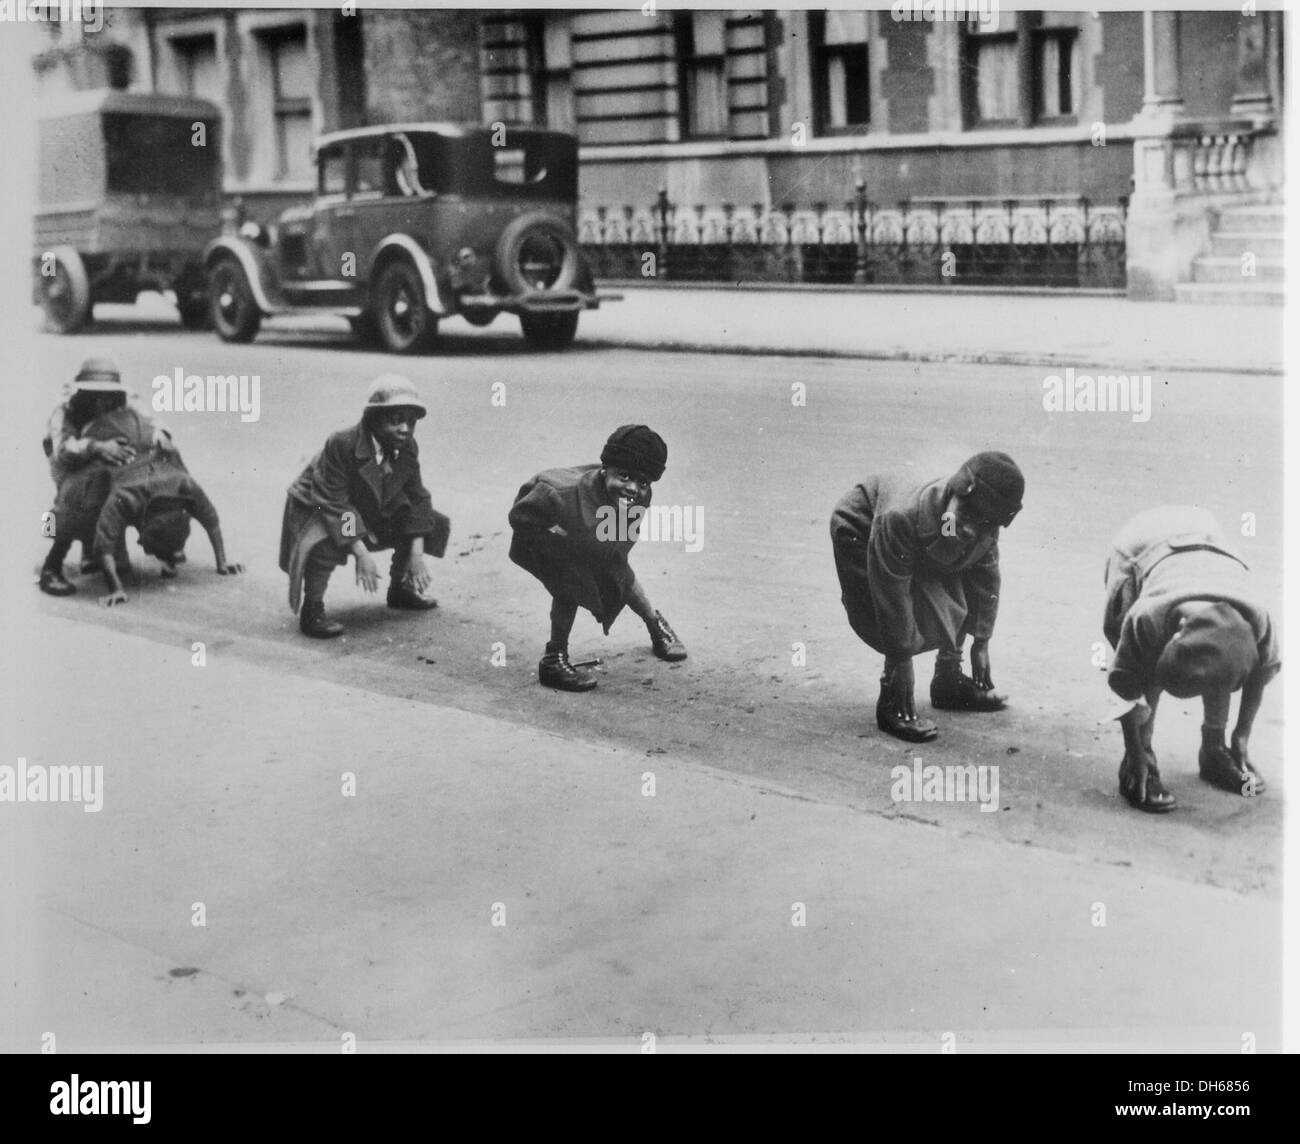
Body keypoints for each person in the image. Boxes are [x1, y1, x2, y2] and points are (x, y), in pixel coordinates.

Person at [830, 451, 1025, 742]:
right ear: (955, 491)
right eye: (968, 514)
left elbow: (986, 580)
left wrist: (981, 641)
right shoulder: (899, 516)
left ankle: (948, 679)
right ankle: (892, 701)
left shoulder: (978, 522)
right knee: (903, 613)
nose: (972, 528)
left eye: (985, 523)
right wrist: (901, 663)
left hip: (920, 532)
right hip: (863, 526)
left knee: (961, 579)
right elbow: (891, 594)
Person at [1103, 505, 1280, 813]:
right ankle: (1140, 761)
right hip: (1139, 547)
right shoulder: (1147, 617)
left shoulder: (1258, 619)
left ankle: (1215, 749)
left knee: (1216, 655)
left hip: (1203, 539)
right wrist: (1134, 749)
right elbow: (1127, 686)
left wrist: (1241, 737)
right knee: (1147, 669)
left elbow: (1258, 675)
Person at [508, 424, 686, 691]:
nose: (633, 488)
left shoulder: (640, 495)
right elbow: (520, 518)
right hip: (554, 541)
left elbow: (621, 543)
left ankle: (655, 624)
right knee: (568, 589)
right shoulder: (560, 493)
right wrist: (558, 535)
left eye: (642, 481)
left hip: (592, 535)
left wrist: (607, 558)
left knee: (619, 573)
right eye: (624, 476)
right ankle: (553, 660)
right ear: (605, 470)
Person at [280, 374, 448, 639]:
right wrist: (361, 553)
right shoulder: (342, 443)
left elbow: (418, 498)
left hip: (361, 505)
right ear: (374, 419)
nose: (405, 428)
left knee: (428, 520)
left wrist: (416, 554)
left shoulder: (406, 447)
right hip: (317, 507)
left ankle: (401, 589)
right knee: (322, 542)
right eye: (396, 420)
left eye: (411, 422)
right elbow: (333, 502)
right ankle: (312, 609)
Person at [39, 357, 175, 597]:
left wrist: (160, 435)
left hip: (106, 457)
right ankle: (52, 565)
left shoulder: (126, 398)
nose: (101, 401)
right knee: (70, 503)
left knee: (125, 488)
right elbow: (62, 450)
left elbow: (153, 422)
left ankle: (96, 549)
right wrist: (96, 447)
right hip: (67, 462)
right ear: (81, 392)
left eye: (107, 395)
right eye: (94, 395)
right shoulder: (63, 407)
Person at [92, 453, 243, 607]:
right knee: (94, 509)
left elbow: (211, 520)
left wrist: (222, 562)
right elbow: (103, 547)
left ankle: (168, 555)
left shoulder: (185, 484)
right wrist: (116, 588)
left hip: (153, 465)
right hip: (118, 466)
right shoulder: (124, 496)